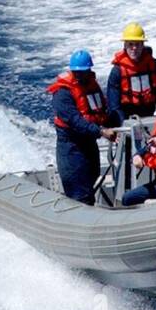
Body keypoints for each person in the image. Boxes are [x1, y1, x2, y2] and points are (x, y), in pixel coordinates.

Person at [48, 50, 119, 205]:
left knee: (91, 180)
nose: (80, 75)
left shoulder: (92, 87)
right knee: (79, 191)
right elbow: (75, 121)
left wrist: (114, 126)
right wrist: (101, 132)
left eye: (83, 72)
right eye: (77, 72)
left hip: (89, 145)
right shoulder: (62, 93)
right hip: (71, 147)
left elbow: (102, 113)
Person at [105, 23, 156, 122]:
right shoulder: (117, 72)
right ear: (125, 45)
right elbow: (114, 106)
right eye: (130, 44)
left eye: (137, 44)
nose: (134, 48)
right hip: (129, 120)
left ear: (143, 45)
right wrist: (124, 125)